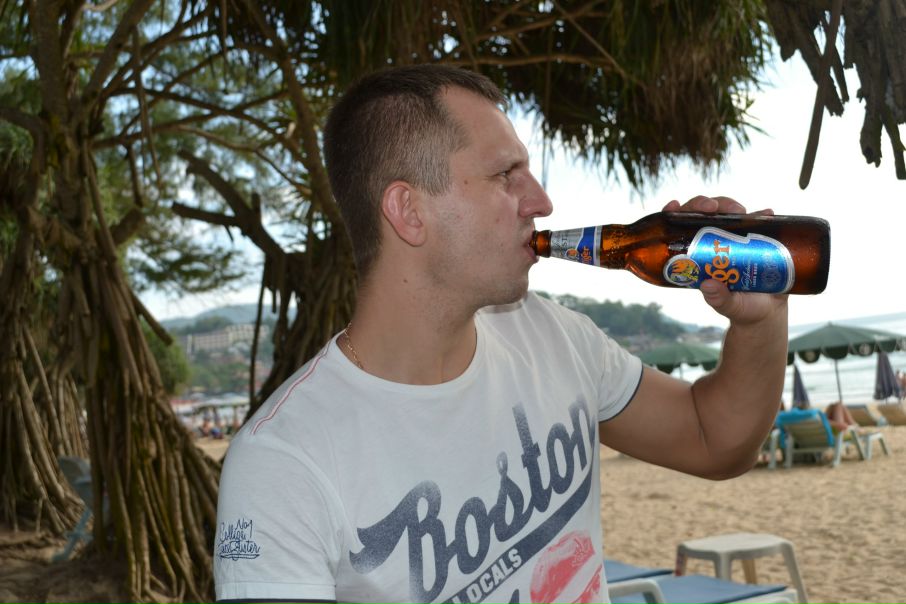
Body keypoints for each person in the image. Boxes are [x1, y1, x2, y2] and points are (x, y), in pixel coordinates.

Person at [213, 65, 789, 603]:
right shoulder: (283, 462)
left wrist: (758, 321)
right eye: (505, 175)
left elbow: (716, 439)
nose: (541, 201)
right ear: (408, 211)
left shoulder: (552, 336)